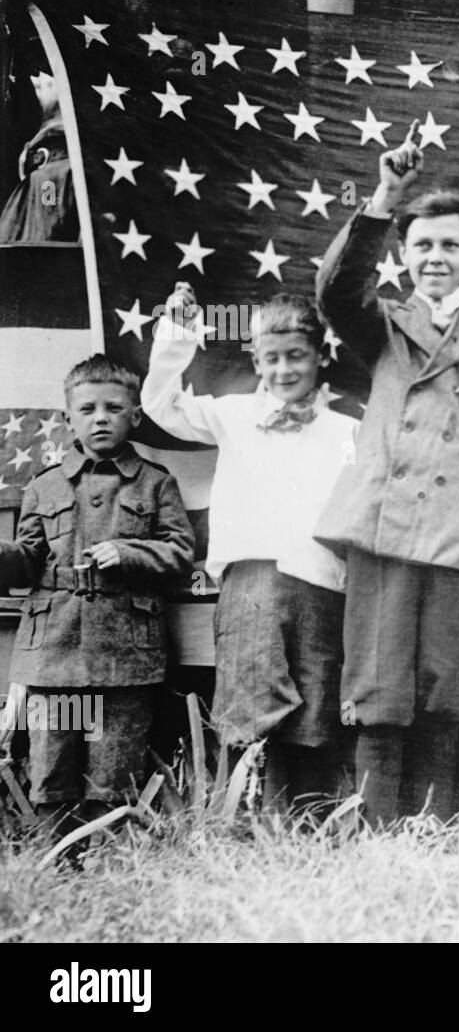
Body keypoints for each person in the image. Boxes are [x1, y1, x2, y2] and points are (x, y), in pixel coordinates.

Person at [315, 121, 459, 824]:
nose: (436, 258)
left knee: (448, 680)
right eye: (422, 246)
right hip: (386, 520)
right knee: (378, 678)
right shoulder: (381, 322)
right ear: (402, 254)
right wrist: (385, 194)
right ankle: (375, 824)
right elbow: (335, 290)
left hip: (458, 528)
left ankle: (431, 826)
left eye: (450, 246)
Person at [142, 282, 357, 812]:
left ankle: (307, 819)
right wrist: (177, 335)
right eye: (271, 359)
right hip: (252, 581)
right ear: (255, 360)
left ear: (319, 356)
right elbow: (159, 405)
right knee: (250, 699)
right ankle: (247, 819)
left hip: (322, 579)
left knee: (315, 697)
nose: (284, 371)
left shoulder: (348, 428)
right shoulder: (232, 414)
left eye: (296, 357)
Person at [0, 356, 194, 831]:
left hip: (122, 659)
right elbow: (26, 561)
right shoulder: (44, 486)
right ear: (69, 419)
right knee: (54, 768)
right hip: (56, 655)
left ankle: (107, 863)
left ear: (135, 415)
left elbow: (180, 553)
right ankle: (57, 864)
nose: (100, 417)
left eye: (113, 407)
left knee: (112, 773)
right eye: (87, 409)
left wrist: (129, 553)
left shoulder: (155, 482)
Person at [0, 71, 77, 243]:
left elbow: (48, 218)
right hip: (39, 177)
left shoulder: (51, 180)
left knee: (46, 228)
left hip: (53, 176)